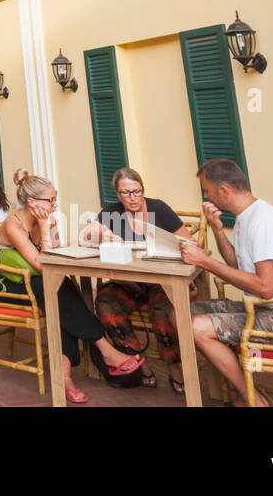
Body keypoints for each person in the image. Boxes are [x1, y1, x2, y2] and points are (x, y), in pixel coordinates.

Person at [183, 159, 273, 406]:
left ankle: (253, 400)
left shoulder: (264, 222)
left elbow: (264, 288)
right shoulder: (245, 217)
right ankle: (244, 392)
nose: (206, 196)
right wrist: (217, 229)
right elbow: (237, 265)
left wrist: (206, 263)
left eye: (207, 190)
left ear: (224, 191)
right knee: (186, 314)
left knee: (198, 327)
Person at [0, 172, 144, 403]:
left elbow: (55, 253)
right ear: (32, 202)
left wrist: (54, 233)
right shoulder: (13, 224)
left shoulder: (49, 218)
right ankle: (106, 350)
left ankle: (65, 378)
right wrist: (45, 228)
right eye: (50, 200)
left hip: (41, 284)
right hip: (11, 286)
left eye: (55, 199)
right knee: (55, 288)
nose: (55, 205)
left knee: (58, 294)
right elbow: (43, 265)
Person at [80, 167, 195, 392]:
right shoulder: (112, 212)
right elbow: (87, 235)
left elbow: (189, 243)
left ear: (143, 190)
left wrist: (184, 263)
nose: (132, 198)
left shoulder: (158, 208)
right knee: (105, 303)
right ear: (117, 194)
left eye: (136, 191)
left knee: (163, 309)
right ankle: (140, 363)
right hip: (129, 281)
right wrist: (100, 234)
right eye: (125, 193)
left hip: (161, 280)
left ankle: (175, 368)